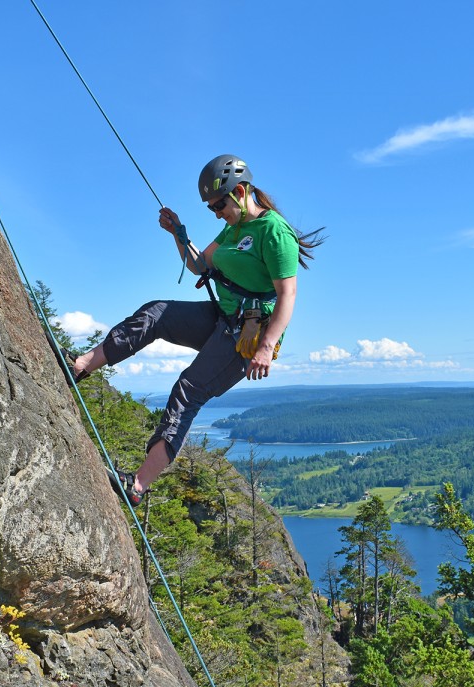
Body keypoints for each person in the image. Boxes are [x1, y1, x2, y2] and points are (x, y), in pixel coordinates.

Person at [66, 154, 322, 506]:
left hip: (246, 336)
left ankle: (137, 486)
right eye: (211, 208)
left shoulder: (273, 231)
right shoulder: (234, 228)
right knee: (157, 313)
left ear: (241, 190)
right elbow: (199, 263)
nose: (217, 212)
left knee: (189, 390)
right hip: (222, 318)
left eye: (219, 204)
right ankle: (80, 366)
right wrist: (179, 232)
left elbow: (287, 295)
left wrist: (267, 346)